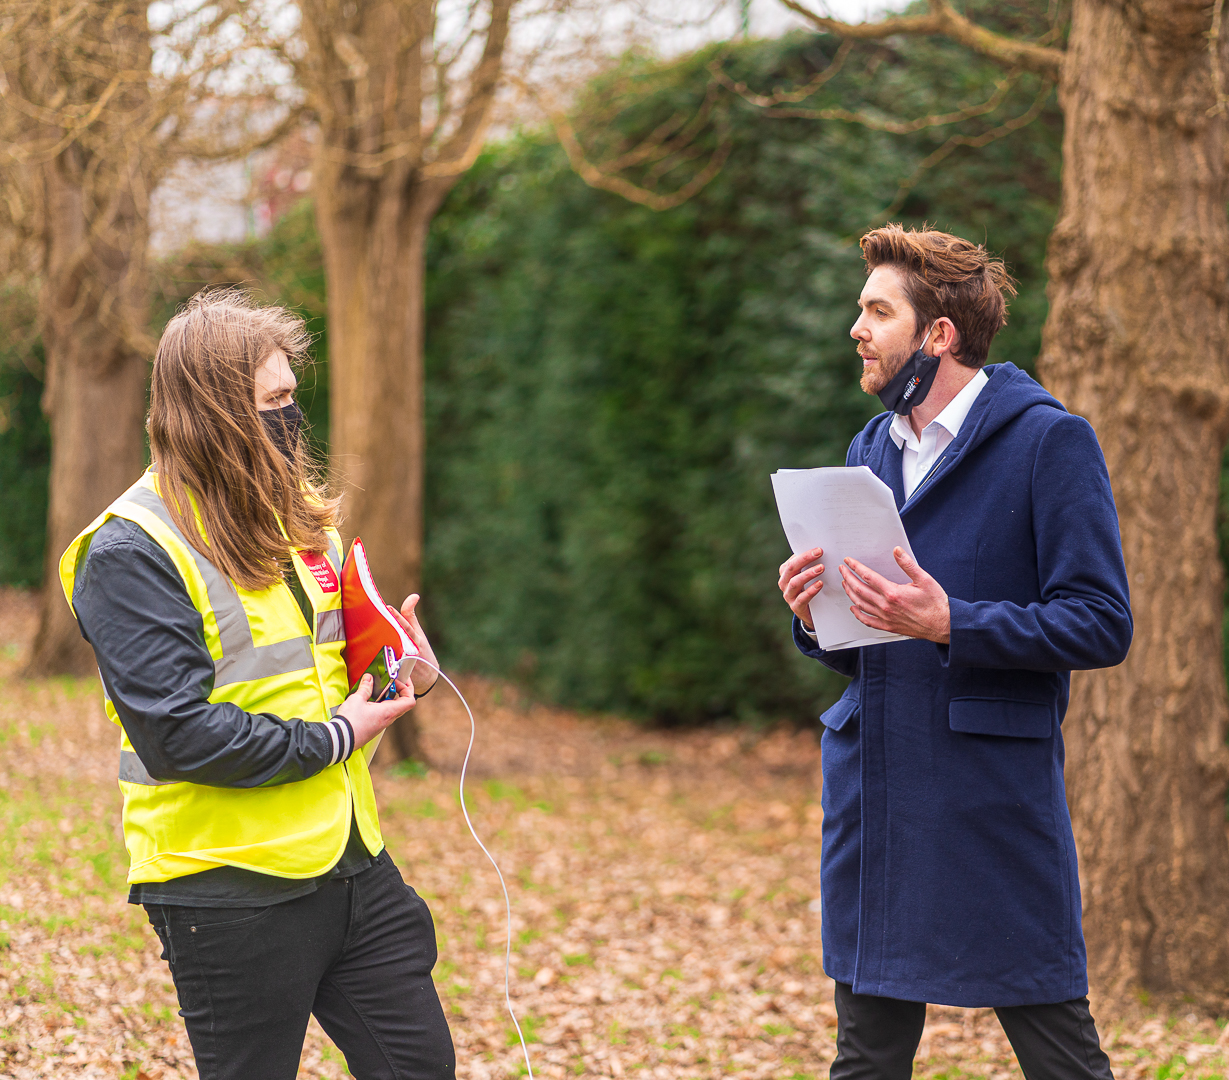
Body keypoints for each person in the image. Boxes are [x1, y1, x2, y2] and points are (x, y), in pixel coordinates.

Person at [58, 290, 455, 1079]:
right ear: (211, 413)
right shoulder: (130, 552)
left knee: (419, 1067)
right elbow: (176, 734)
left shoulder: (298, 517)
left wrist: (400, 667)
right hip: (226, 887)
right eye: (272, 403)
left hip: (350, 862)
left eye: (291, 398)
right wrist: (337, 735)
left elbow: (325, 669)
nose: (290, 420)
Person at [777, 225, 1132, 1080]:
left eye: (875, 311)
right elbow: (863, 637)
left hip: (987, 800)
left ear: (936, 334)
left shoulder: (1050, 442)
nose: (854, 329)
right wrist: (814, 615)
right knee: (865, 1056)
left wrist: (951, 622)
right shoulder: (870, 447)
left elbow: (1099, 622)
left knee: (1057, 1051)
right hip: (877, 789)